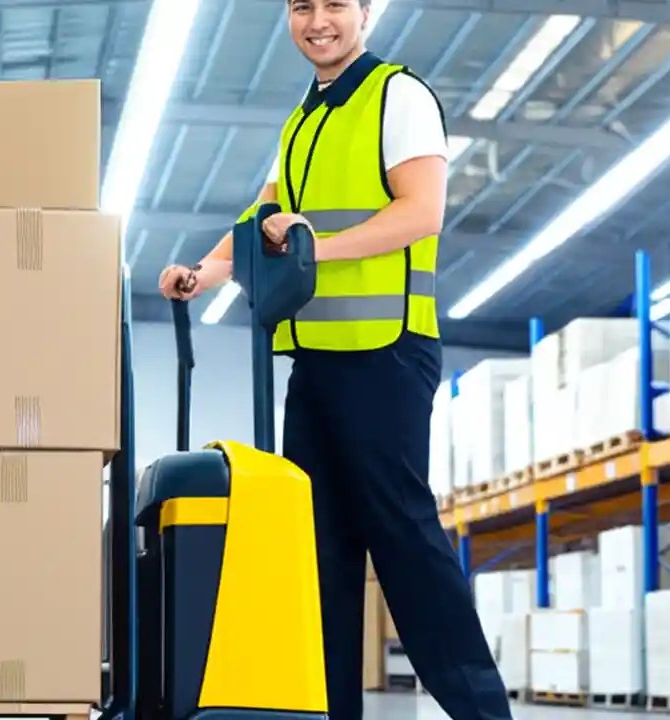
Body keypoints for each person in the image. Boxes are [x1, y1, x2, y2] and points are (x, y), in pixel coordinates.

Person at [158, 1, 514, 719]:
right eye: (302, 6)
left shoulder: (397, 95)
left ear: (365, 12)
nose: (318, 21)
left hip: (386, 355)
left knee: (404, 540)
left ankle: (483, 712)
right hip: (316, 361)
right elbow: (263, 218)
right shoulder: (303, 121)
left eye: (334, 5)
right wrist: (204, 273)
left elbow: (421, 211)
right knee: (319, 552)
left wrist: (314, 245)